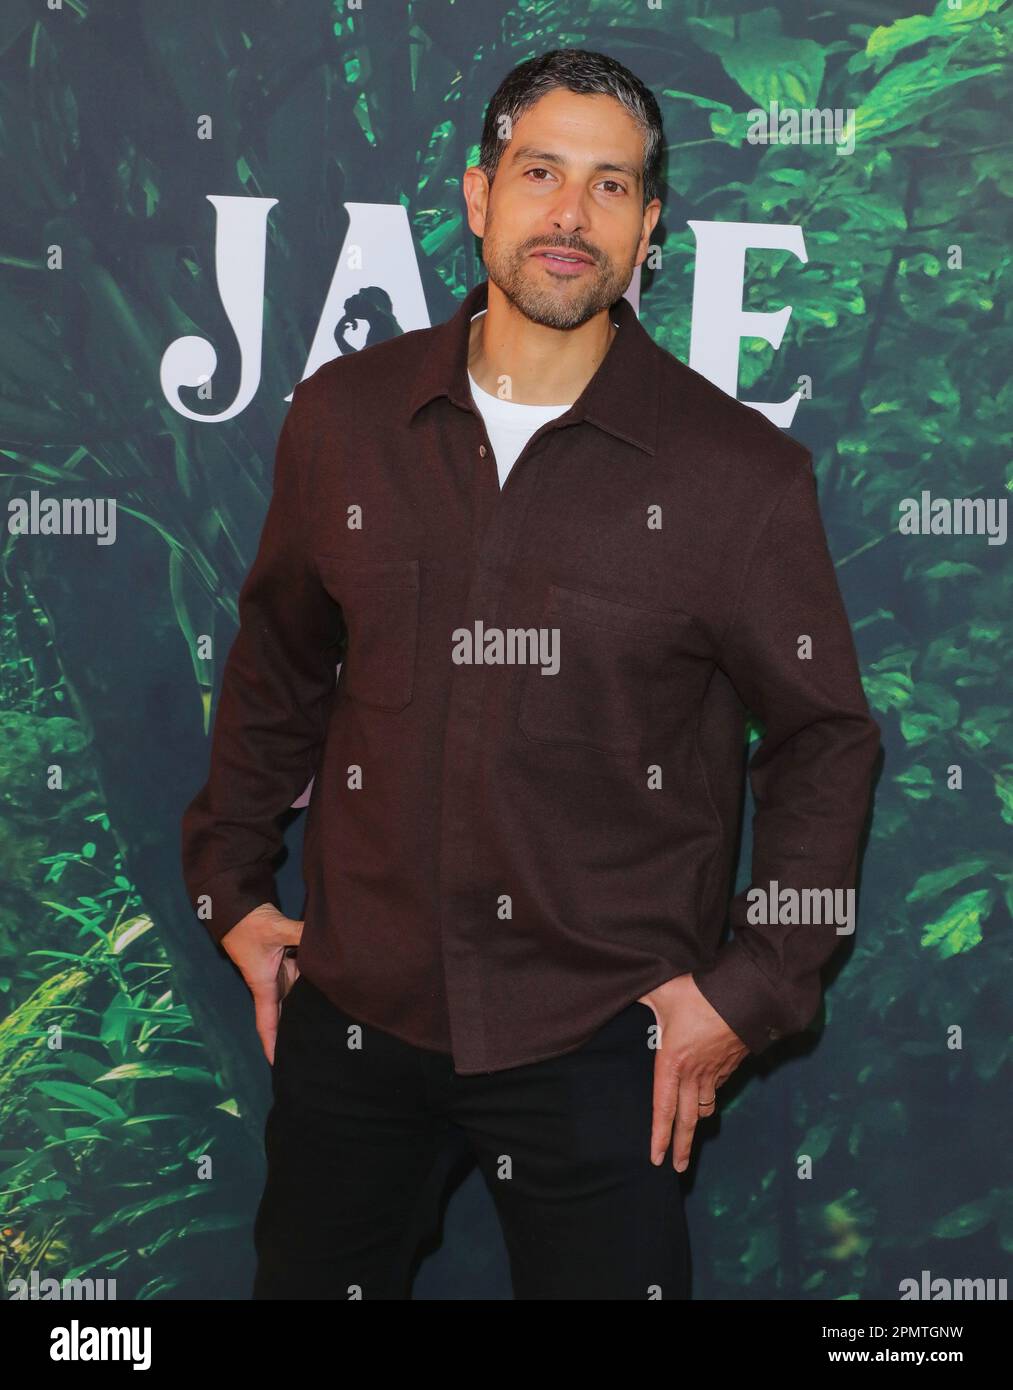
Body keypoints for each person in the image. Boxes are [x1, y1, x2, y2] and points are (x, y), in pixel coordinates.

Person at [181, 48, 881, 1300]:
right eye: (541, 173)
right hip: (358, 1013)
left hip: (602, 1043)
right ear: (476, 194)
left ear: (650, 226)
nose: (569, 214)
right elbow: (278, 660)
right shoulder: (344, 420)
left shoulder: (735, 479)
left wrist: (753, 986)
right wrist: (231, 889)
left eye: (610, 188)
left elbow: (827, 740)